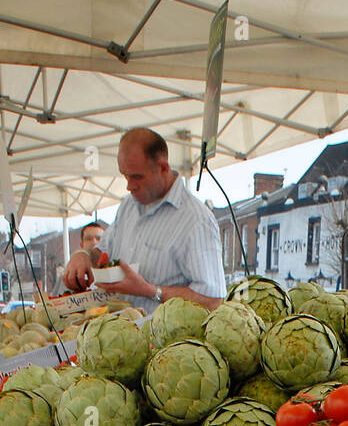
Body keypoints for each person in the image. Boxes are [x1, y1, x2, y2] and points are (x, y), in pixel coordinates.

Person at [62, 128, 226, 314]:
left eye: (137, 177)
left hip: (163, 340)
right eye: (125, 175)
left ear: (163, 168)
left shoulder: (197, 220)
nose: (129, 186)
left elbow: (213, 300)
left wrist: (151, 291)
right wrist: (83, 255)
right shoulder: (128, 206)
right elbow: (102, 251)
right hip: (118, 332)